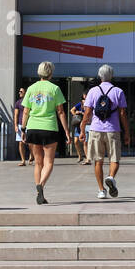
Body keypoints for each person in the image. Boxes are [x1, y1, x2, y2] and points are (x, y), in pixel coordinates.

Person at [20, 61, 71, 205]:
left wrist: (23, 129)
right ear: (51, 73)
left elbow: (25, 111)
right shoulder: (55, 89)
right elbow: (60, 111)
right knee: (49, 162)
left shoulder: (31, 88)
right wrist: (67, 131)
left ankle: (39, 191)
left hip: (33, 127)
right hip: (49, 128)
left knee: (38, 163)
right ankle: (40, 186)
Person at [79, 64, 129, 199]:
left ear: (99, 76)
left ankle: (101, 190)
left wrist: (83, 129)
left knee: (98, 161)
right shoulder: (118, 91)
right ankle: (111, 177)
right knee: (115, 158)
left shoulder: (93, 91)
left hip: (96, 129)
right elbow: (122, 113)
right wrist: (127, 132)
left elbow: (87, 112)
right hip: (113, 129)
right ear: (111, 75)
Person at [13, 83, 32, 165]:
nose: (19, 93)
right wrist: (15, 125)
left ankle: (31, 156)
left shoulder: (30, 101)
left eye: (21, 91)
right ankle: (23, 160)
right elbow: (16, 115)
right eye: (19, 92)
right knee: (21, 143)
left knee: (31, 142)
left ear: (25, 92)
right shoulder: (18, 103)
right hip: (21, 125)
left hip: (30, 124)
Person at [69, 97, 86, 163]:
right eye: (83, 100)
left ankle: (87, 157)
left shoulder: (89, 104)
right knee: (76, 141)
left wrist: (83, 113)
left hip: (85, 124)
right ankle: (80, 155)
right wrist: (76, 113)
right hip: (78, 125)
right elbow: (72, 110)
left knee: (85, 142)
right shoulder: (79, 104)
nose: (84, 101)